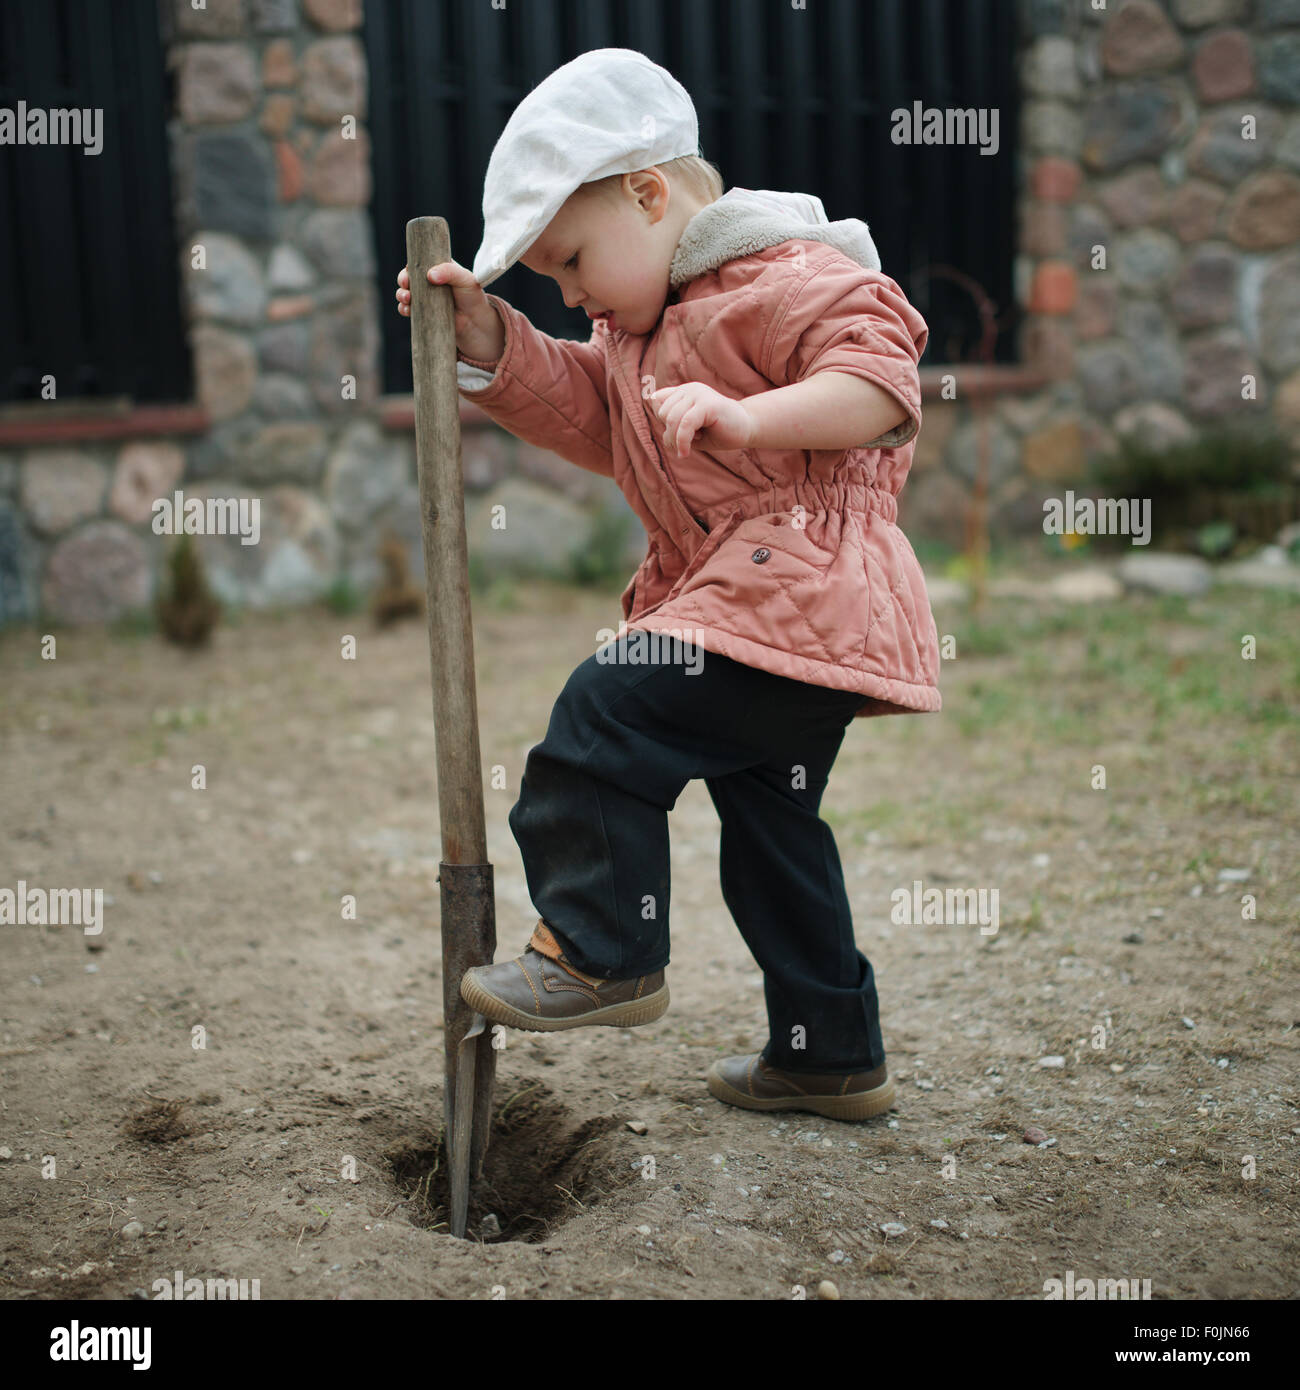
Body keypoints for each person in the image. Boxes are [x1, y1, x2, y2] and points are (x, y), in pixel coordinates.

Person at [396, 48, 940, 1122]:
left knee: (603, 716)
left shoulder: (791, 275)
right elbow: (594, 413)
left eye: (572, 261)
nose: (569, 292)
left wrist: (754, 417)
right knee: (774, 829)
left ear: (650, 193)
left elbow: (879, 380)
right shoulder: (639, 334)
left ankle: (603, 950)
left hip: (801, 593)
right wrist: (492, 339)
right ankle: (827, 1051)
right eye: (550, 280)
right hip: (766, 608)